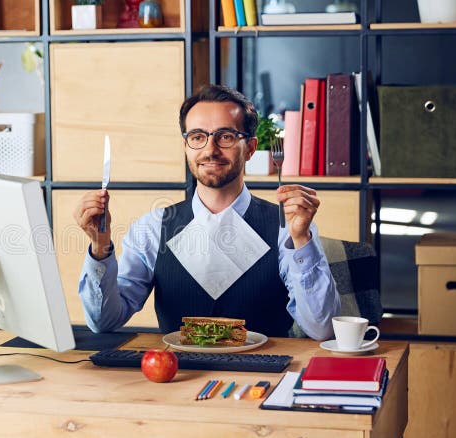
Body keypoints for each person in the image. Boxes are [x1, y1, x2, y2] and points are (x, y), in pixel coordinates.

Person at [73, 84, 341, 340]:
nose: (210, 150)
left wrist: (302, 240)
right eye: (198, 137)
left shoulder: (288, 226)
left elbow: (322, 329)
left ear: (249, 148)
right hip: (175, 377)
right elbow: (103, 321)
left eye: (225, 136)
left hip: (265, 377)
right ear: (186, 147)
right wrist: (100, 247)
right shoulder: (153, 227)